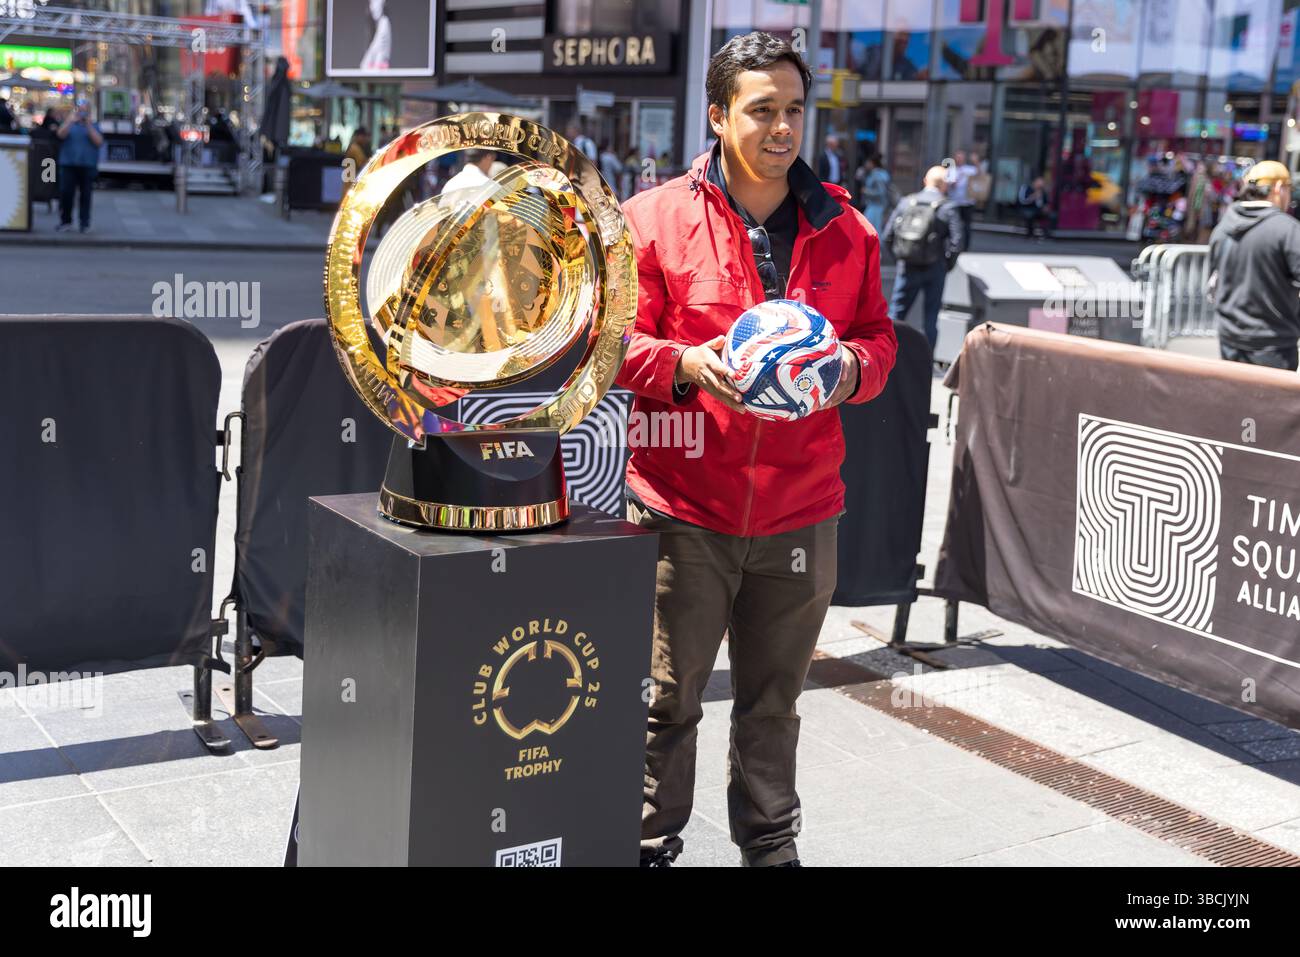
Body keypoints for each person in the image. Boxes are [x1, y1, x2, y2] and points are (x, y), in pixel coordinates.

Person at [614, 31, 898, 868]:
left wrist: (848, 368)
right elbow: (611, 343)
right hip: (682, 507)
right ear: (717, 115)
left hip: (802, 512)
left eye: (795, 111)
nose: (782, 128)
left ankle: (770, 847)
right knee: (668, 699)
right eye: (762, 110)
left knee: (774, 704)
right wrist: (686, 365)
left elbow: (881, 340)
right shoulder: (654, 219)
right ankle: (648, 840)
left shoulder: (848, 230)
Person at [1206, 160, 1300, 372]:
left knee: (1236, 403)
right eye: (1288, 189)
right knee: (1273, 405)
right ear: (1277, 188)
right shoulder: (1287, 230)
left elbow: (1212, 285)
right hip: (1274, 343)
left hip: (1229, 339)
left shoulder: (1222, 228)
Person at [882, 164, 964, 351]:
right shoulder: (947, 207)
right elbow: (957, 241)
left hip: (907, 266)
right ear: (944, 185)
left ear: (925, 181)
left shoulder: (906, 202)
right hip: (935, 267)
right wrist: (946, 264)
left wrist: (901, 258)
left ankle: (890, 358)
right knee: (930, 318)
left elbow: (888, 235)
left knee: (896, 315)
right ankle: (925, 362)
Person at [55, 98, 103, 234]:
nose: (82, 113)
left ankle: (84, 223)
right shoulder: (70, 124)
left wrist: (88, 125)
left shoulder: (94, 125)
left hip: (87, 165)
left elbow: (99, 142)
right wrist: (71, 120)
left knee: (86, 195)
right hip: (68, 164)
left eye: (85, 111)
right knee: (66, 194)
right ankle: (65, 221)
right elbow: (60, 134)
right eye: (80, 110)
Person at [945, 149, 977, 251]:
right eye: (957, 157)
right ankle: (953, 245)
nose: (959, 159)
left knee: (967, 226)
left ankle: (966, 247)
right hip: (954, 202)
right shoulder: (950, 170)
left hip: (968, 202)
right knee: (953, 225)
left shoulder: (970, 169)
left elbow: (981, 176)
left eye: (961, 157)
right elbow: (947, 184)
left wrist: (976, 162)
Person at [857, 152, 892, 233]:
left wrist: (866, 191)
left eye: (868, 162)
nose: (866, 164)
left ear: (872, 163)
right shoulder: (883, 173)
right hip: (879, 205)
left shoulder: (876, 174)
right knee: (874, 229)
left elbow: (880, 192)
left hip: (875, 206)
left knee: (870, 229)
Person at [360, 0, 392, 71]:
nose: (373, 7)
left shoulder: (384, 23)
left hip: (380, 66)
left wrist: (366, 62)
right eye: (372, 3)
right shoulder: (377, 25)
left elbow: (377, 48)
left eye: (376, 3)